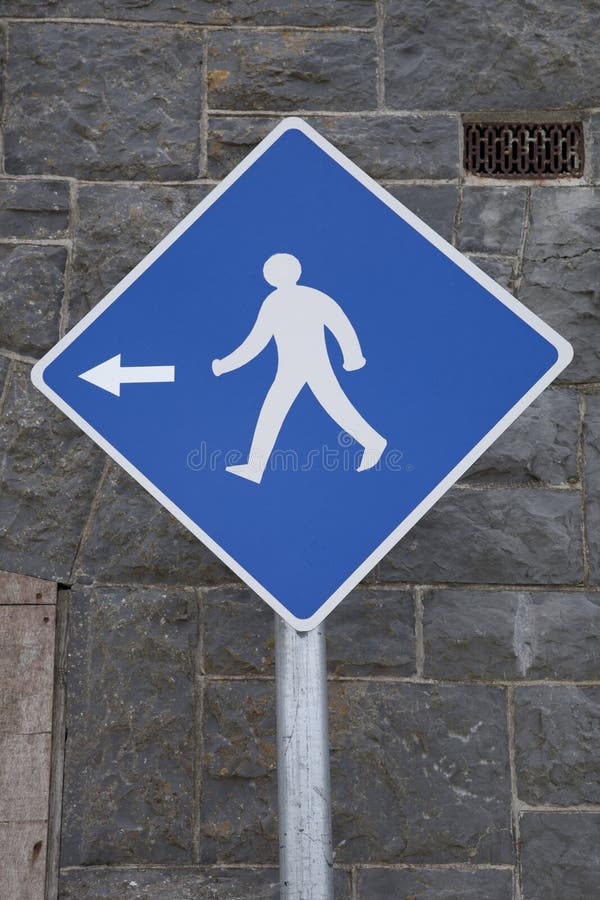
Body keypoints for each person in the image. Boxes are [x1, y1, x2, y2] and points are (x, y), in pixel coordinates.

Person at [212, 253, 387, 484]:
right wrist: (352, 358)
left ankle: (373, 441)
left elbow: (255, 343)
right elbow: (340, 325)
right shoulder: (302, 298)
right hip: (293, 368)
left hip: (311, 365)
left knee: (328, 408)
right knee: (284, 410)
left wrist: (223, 365)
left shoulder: (280, 302)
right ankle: (255, 467)